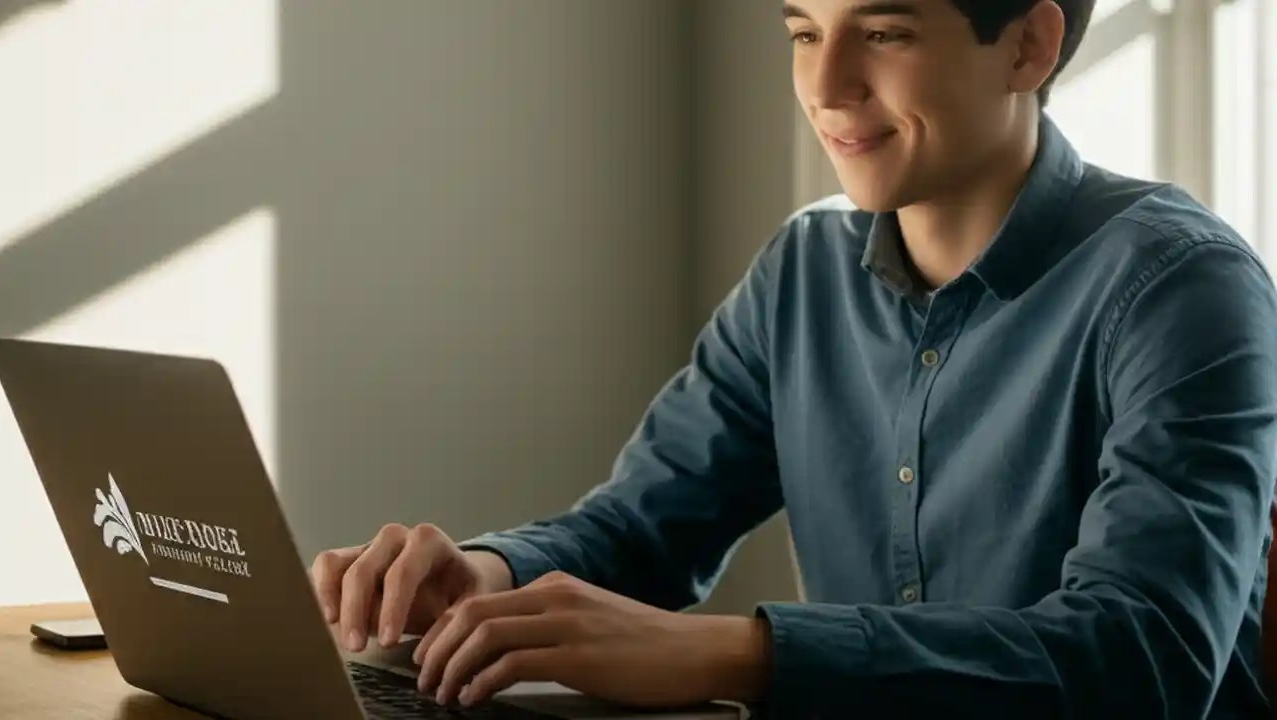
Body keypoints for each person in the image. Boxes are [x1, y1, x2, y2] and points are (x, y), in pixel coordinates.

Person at [310, 1, 1277, 716]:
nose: (825, 88)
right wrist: (488, 574)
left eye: (885, 33)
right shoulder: (802, 271)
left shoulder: (1182, 286)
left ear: (1030, 44)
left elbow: (1143, 657)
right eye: (805, 32)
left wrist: (743, 654)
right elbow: (642, 532)